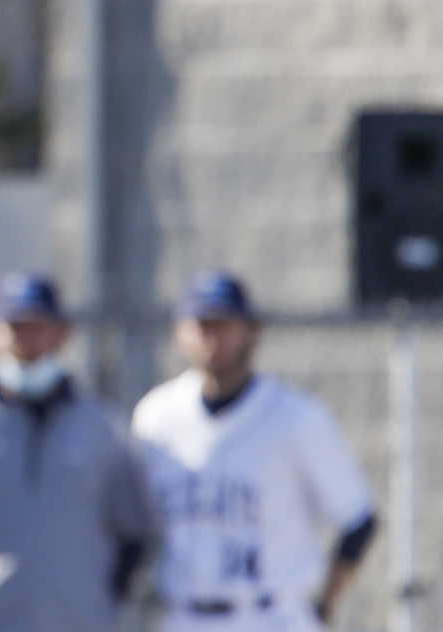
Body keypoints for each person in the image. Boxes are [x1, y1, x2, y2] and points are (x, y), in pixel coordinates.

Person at [133, 271, 377, 632]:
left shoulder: (297, 417)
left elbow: (358, 521)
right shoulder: (155, 417)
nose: (212, 337)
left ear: (251, 330)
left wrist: (323, 605)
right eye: (201, 325)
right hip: (182, 616)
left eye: (224, 324)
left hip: (269, 614)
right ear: (178, 333)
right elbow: (133, 525)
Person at [0, 271, 152, 632]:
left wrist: (98, 598)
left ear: (62, 332)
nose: (26, 339)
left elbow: (132, 532)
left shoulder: (102, 426)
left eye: (38, 326)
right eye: (14, 326)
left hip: (80, 620)